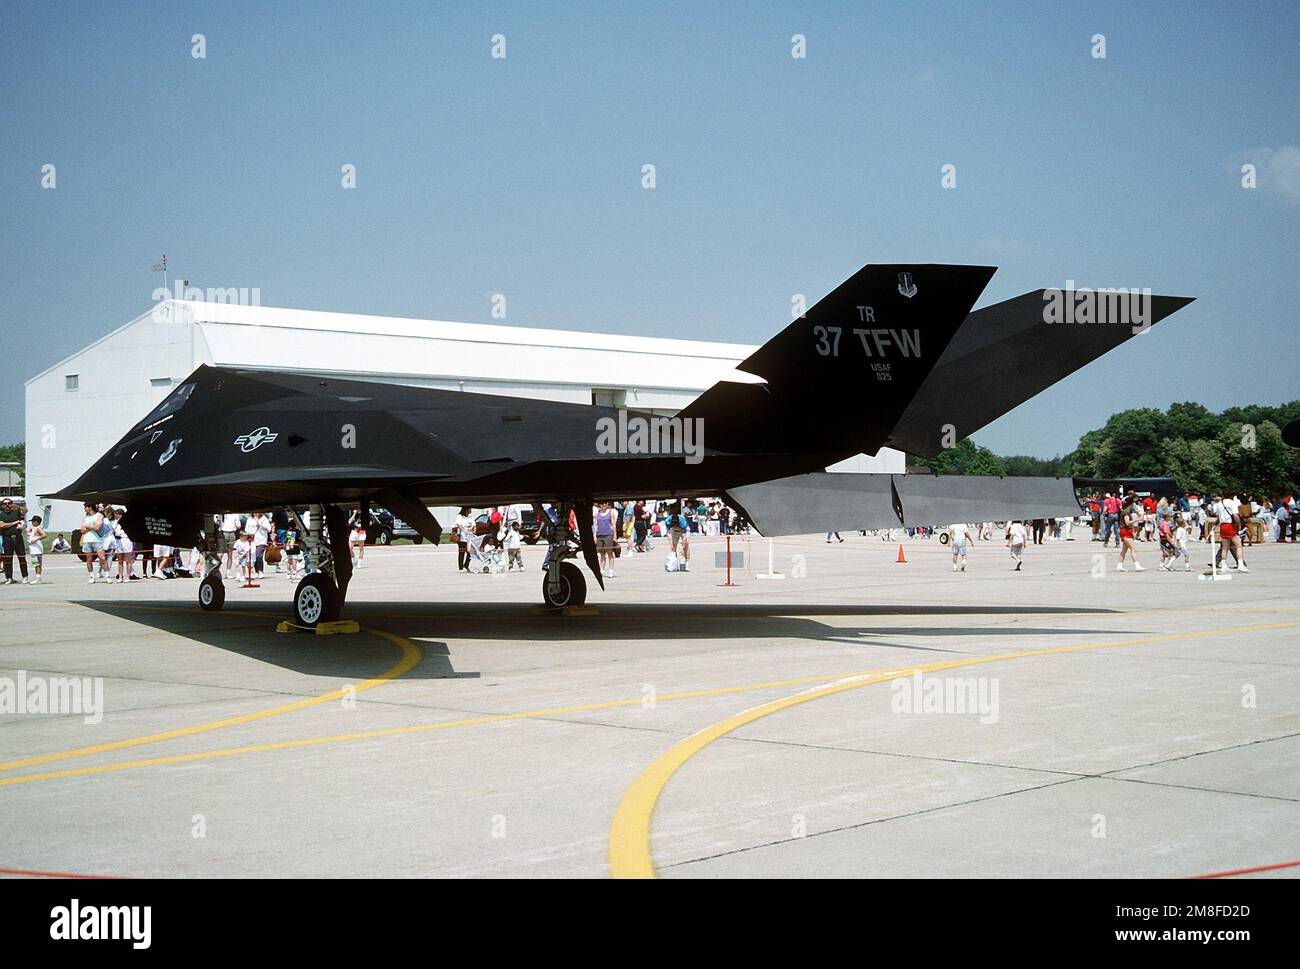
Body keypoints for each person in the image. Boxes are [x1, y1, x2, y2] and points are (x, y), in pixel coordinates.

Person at [0, 497, 29, 585]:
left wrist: (17, 506)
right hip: (7, 538)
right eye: (5, 504)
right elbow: (2, 525)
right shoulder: (1, 515)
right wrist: (15, 522)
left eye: (9, 503)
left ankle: (25, 576)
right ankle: (9, 577)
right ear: (2, 505)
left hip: (17, 538)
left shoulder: (16, 512)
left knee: (22, 557)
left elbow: (25, 510)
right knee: (7, 559)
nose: (7, 505)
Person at [1115, 495, 1145, 572]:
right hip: (1125, 531)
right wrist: (1138, 519)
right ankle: (1137, 565)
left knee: (1124, 550)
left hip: (1126, 531)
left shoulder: (1126, 511)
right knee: (1133, 549)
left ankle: (1119, 565)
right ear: (1131, 504)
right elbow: (1127, 522)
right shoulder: (1126, 512)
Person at [595, 501, 618, 578]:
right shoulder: (597, 513)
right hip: (600, 535)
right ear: (600, 505)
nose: (604, 505)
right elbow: (596, 525)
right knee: (602, 553)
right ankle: (601, 570)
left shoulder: (610, 512)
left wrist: (615, 536)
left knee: (610, 553)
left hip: (608, 534)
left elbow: (613, 524)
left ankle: (611, 570)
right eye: (602, 503)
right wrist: (595, 536)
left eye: (606, 503)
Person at [26, 514, 46, 584]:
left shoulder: (38, 528)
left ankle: (38, 578)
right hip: (33, 549)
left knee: (37, 563)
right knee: (35, 563)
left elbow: (44, 535)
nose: (32, 523)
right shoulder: (34, 529)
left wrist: (36, 539)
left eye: (33, 521)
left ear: (36, 522)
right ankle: (37, 577)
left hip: (37, 549)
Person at [453, 507, 474, 573]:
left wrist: (473, 531)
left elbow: (474, 525)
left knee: (470, 552)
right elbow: (459, 525)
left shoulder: (470, 517)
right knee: (462, 552)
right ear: (466, 510)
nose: (471, 510)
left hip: (470, 537)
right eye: (470, 508)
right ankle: (460, 567)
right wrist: (464, 532)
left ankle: (466, 564)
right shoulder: (459, 516)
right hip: (462, 537)